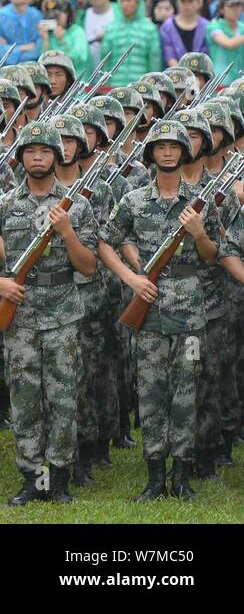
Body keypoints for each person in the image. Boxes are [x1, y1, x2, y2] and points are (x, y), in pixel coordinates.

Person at [0, 120, 99, 505]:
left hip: (63, 315)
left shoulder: (78, 204)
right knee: (25, 400)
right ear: (20, 158)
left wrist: (68, 232)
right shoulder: (5, 205)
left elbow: (88, 266)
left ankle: (59, 479)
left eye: (45, 151)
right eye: (30, 151)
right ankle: (31, 478)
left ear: (57, 156)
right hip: (19, 317)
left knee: (63, 397)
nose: (37, 157)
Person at [99, 121, 217, 501]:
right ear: (151, 153)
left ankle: (181, 475)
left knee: (187, 391)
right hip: (147, 311)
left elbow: (213, 256)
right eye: (160, 147)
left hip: (189, 314)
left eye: (174, 147)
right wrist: (131, 279)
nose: (167, 153)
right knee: (150, 392)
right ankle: (154, 476)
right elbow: (105, 242)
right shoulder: (134, 200)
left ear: (184, 151)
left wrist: (198, 232)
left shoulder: (201, 199)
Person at [100, 0, 162, 86]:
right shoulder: (111, 28)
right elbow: (105, 60)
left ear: (138, 3)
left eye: (129, 0)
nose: (125, 4)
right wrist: (104, 85)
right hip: (114, 87)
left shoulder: (149, 28)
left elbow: (154, 60)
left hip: (141, 87)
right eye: (122, 0)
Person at [39, 0, 91, 80]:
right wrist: (45, 41)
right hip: (53, 83)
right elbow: (42, 63)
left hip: (76, 83)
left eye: (57, 15)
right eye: (51, 15)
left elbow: (81, 59)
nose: (55, 18)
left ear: (67, 14)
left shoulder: (77, 32)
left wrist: (63, 40)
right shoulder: (48, 34)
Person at [159, 0, 209, 68]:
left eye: (190, 1)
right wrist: (182, 72)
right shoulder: (167, 26)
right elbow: (168, 54)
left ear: (198, 2)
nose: (187, 5)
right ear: (177, 2)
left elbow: (206, 53)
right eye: (183, 1)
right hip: (174, 73)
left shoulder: (206, 25)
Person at [207, 0, 244, 83]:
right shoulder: (214, 26)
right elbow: (229, 43)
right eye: (231, 6)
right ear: (221, 9)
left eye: (238, 5)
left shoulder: (242, 27)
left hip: (240, 80)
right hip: (221, 81)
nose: (236, 10)